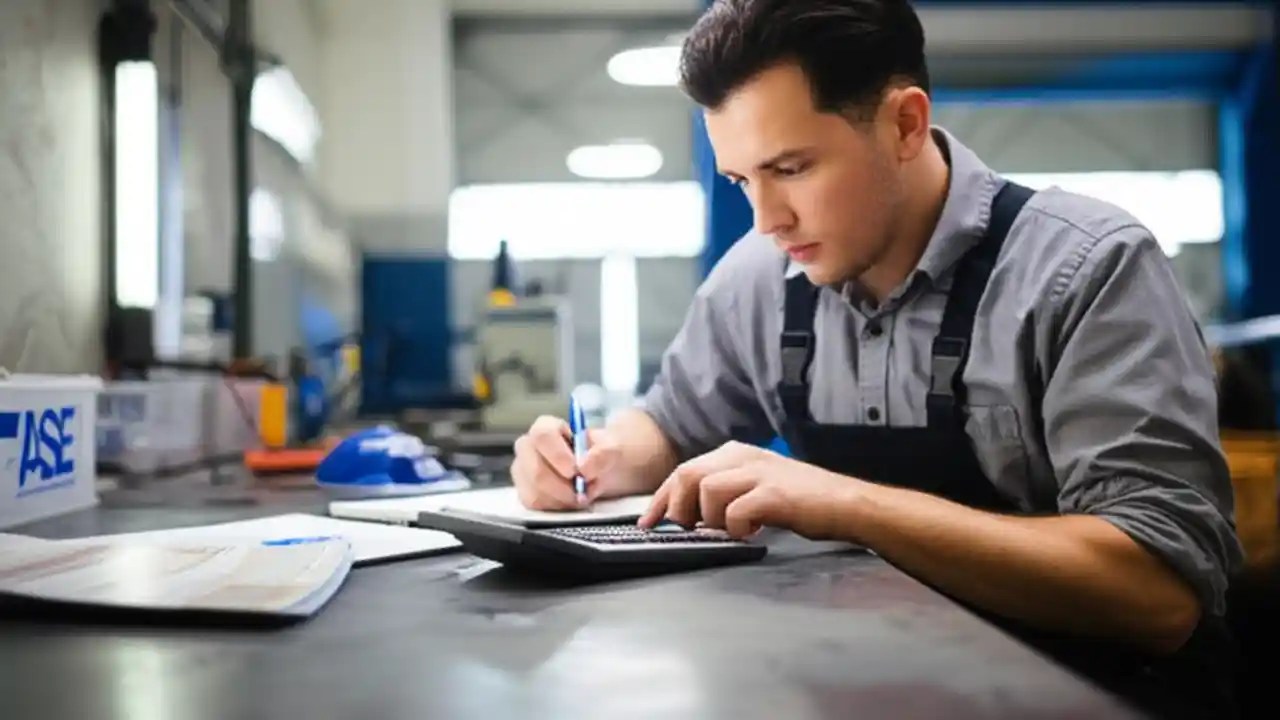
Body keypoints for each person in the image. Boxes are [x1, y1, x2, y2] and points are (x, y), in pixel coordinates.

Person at [510, 1, 1242, 715]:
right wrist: (597, 460)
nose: (766, 219)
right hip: (867, 679)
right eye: (742, 181)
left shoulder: (1086, 269)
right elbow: (670, 425)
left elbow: (1159, 593)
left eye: (791, 168)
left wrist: (848, 504)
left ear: (905, 123)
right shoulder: (758, 278)